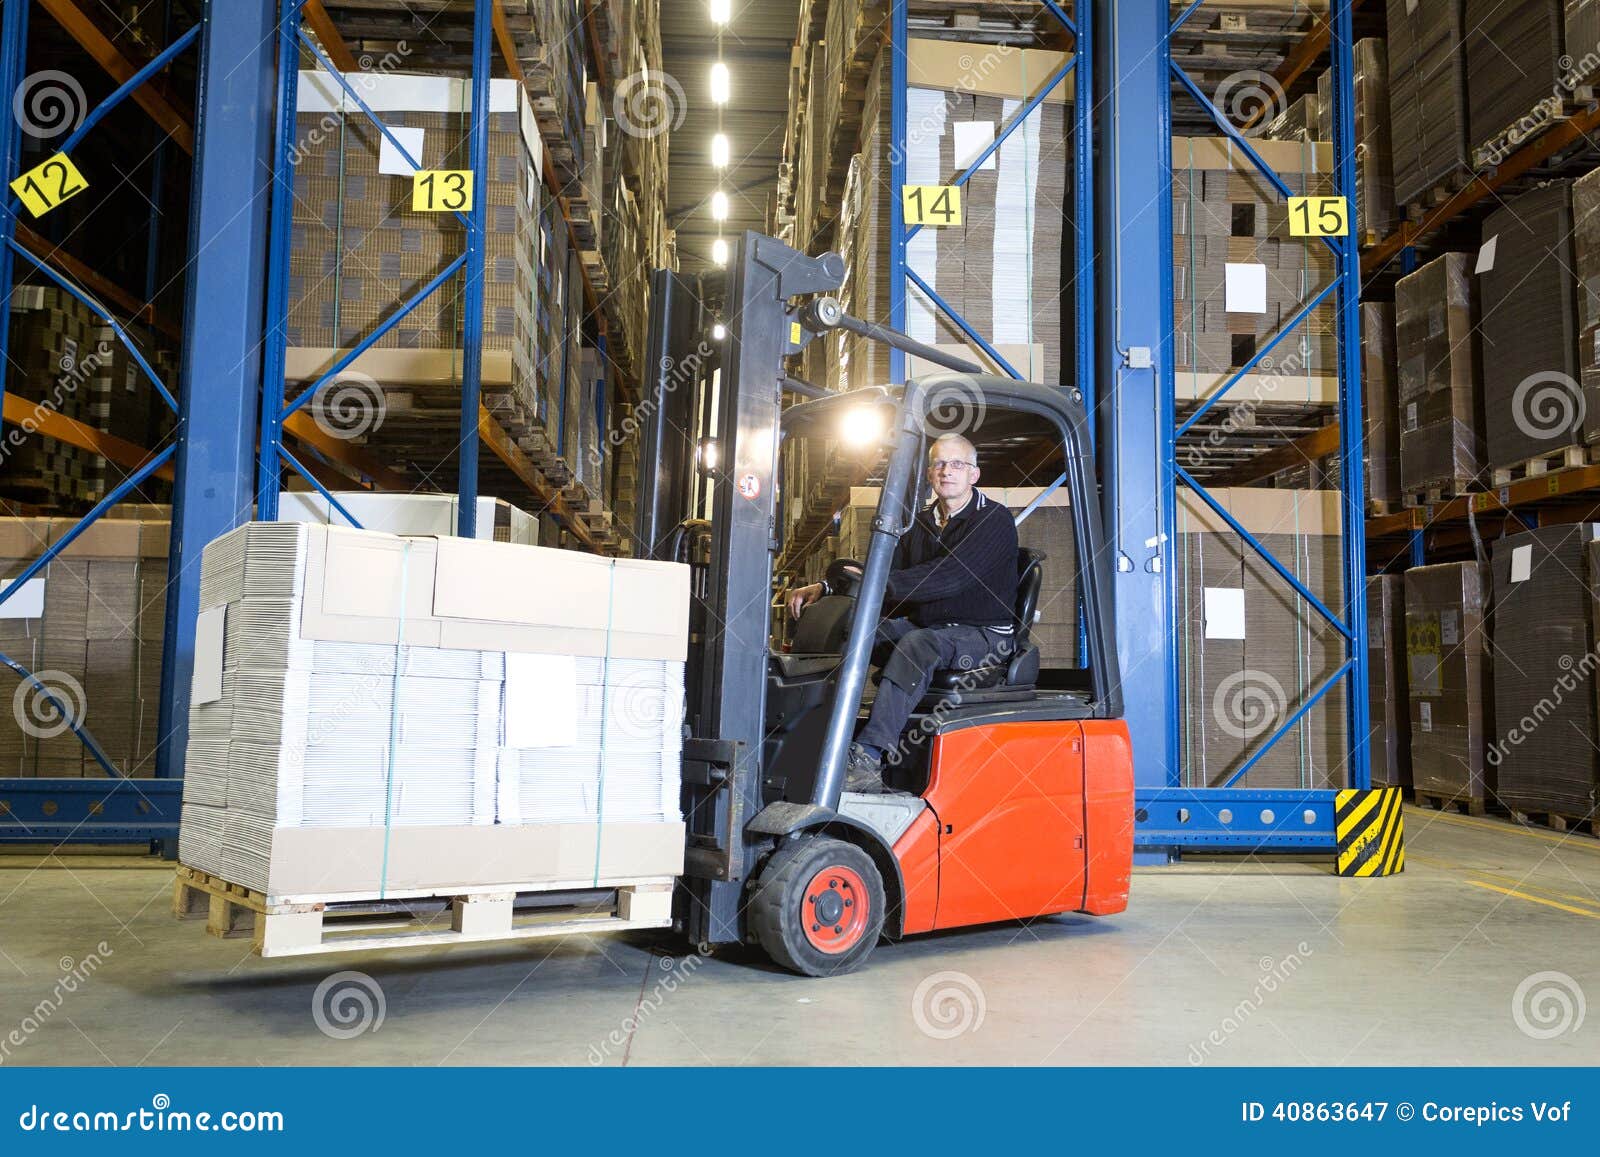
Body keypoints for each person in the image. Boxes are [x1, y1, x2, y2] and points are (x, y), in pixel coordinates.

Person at [787, 433, 1019, 793]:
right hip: (931, 626)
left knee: (917, 644)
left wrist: (880, 584)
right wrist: (830, 587)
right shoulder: (921, 522)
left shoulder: (994, 519)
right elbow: (883, 569)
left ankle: (868, 755)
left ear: (974, 475)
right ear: (929, 474)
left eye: (957, 465)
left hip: (985, 633)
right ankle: (819, 733)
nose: (947, 472)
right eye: (939, 464)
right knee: (856, 629)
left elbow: (951, 577)